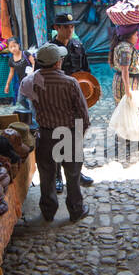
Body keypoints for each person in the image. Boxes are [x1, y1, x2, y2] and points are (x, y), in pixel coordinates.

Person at [21, 42, 91, 222]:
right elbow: (84, 114)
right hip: (68, 134)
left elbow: (25, 104)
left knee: (47, 176)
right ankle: (76, 210)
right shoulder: (70, 83)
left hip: (45, 135)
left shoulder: (30, 81)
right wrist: (79, 135)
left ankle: (48, 211)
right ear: (57, 62)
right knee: (73, 175)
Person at [50, 11, 94, 188]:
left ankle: (76, 173)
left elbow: (86, 72)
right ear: (56, 28)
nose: (70, 30)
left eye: (72, 26)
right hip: (58, 101)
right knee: (59, 137)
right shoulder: (49, 50)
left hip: (76, 100)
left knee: (76, 139)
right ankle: (58, 176)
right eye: (66, 27)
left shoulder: (77, 45)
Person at [110, 23, 139, 137]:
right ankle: (131, 135)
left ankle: (131, 134)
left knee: (129, 109)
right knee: (130, 110)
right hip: (129, 84)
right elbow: (125, 69)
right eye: (136, 35)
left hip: (131, 82)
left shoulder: (125, 46)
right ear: (130, 36)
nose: (137, 37)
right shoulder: (125, 48)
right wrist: (127, 90)